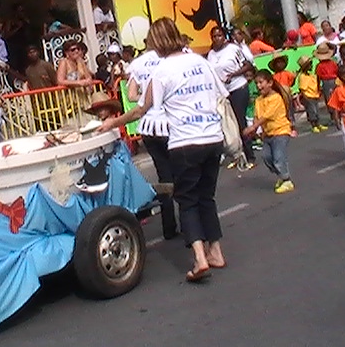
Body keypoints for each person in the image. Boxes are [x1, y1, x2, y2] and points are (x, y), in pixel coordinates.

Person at [99, 18, 227, 282]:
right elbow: (220, 94)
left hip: (185, 142)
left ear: (156, 41)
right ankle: (216, 251)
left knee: (187, 200)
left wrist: (113, 122)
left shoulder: (162, 71)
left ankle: (200, 258)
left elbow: (141, 109)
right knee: (207, 197)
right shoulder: (201, 62)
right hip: (213, 137)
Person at [125, 44, 178, 240]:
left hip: (148, 127)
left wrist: (145, 99)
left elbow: (131, 95)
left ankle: (169, 226)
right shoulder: (171, 59)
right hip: (170, 123)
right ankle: (191, 224)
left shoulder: (138, 64)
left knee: (164, 176)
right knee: (182, 174)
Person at [206, 25, 255, 169]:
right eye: (214, 36)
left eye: (219, 35)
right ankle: (237, 154)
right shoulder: (211, 54)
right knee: (228, 125)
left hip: (238, 88)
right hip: (222, 93)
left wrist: (233, 75)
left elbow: (248, 66)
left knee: (240, 121)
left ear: (224, 36)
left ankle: (250, 155)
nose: (217, 39)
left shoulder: (233, 49)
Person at [243, 69, 295, 194]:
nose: (258, 86)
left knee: (278, 157)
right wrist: (254, 131)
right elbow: (257, 116)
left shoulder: (276, 98)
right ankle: (281, 176)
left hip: (280, 131)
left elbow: (266, 116)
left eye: (261, 82)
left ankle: (287, 180)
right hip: (268, 134)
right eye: (257, 83)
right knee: (267, 157)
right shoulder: (259, 100)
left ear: (270, 83)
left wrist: (253, 127)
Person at [296, 55, 326, 133]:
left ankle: (318, 124)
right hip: (309, 96)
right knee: (311, 111)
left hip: (315, 95)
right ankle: (313, 125)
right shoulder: (302, 77)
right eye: (309, 65)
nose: (311, 66)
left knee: (316, 111)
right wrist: (305, 98)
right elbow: (302, 89)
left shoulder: (310, 75)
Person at [314, 42, 339, 121]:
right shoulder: (333, 63)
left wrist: (318, 87)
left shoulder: (319, 66)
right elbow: (337, 72)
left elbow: (318, 77)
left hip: (326, 83)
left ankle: (332, 116)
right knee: (336, 97)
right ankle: (337, 114)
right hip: (334, 81)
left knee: (328, 99)